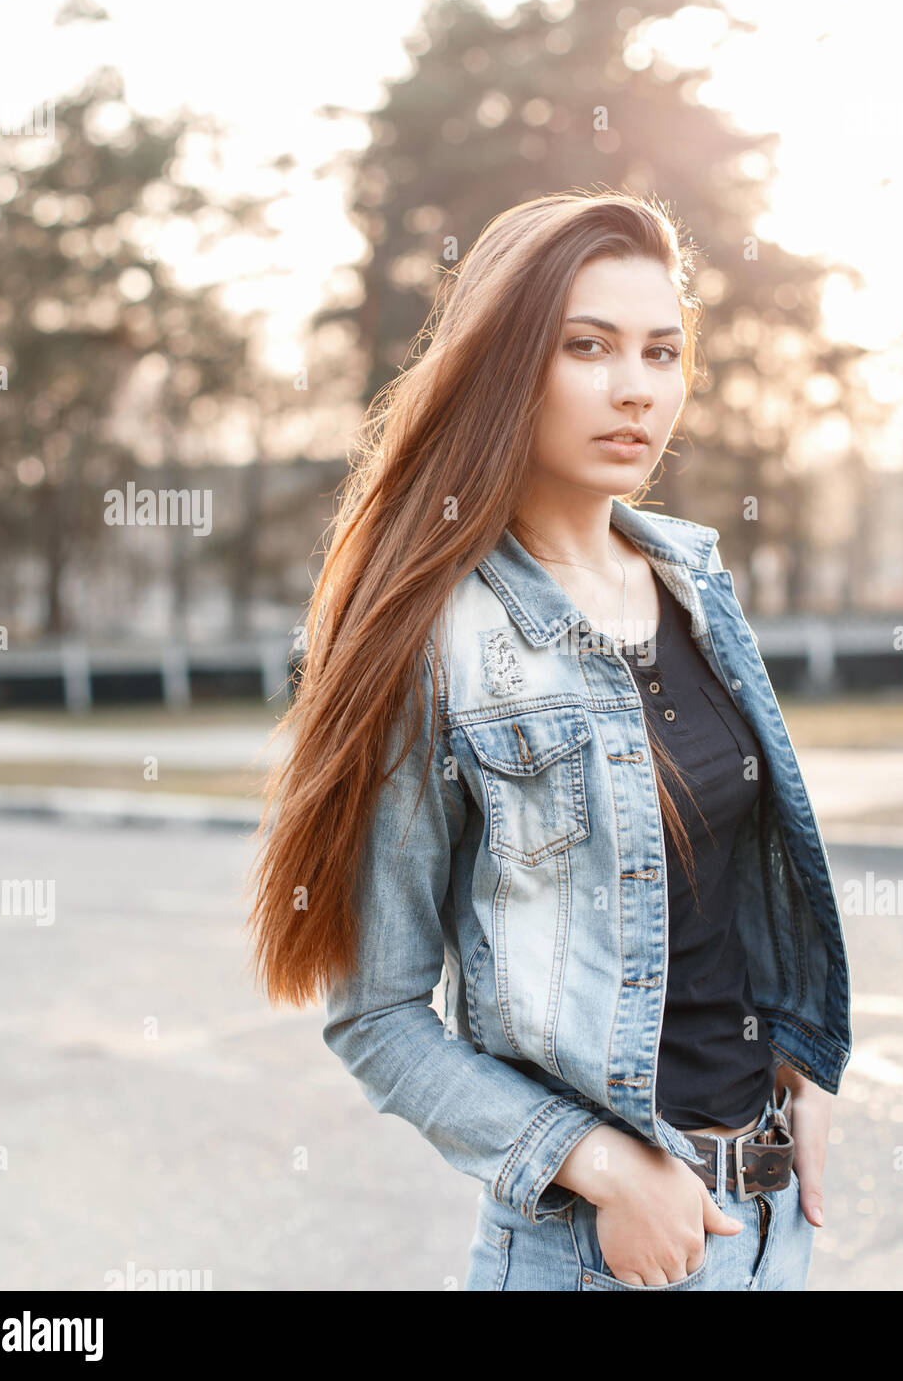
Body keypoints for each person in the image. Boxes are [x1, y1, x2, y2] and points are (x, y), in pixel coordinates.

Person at [246, 187, 853, 1291]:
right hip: (596, 1253)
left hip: (769, 1230)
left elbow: (728, 900)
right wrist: (603, 1169)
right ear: (506, 363)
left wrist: (800, 1080)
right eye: (588, 346)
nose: (636, 388)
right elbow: (376, 1015)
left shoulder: (693, 582)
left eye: (662, 353)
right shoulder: (432, 638)